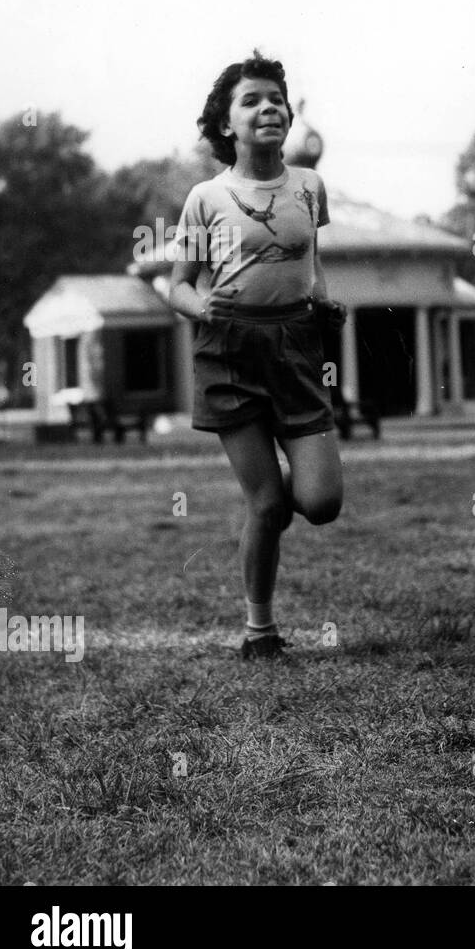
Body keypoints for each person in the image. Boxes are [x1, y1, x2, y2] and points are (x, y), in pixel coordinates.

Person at [168, 52, 346, 660]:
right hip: (230, 351)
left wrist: (323, 302)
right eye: (251, 100)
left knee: (321, 503)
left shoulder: (309, 187)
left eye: (276, 98)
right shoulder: (205, 197)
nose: (268, 107)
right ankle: (259, 631)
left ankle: (278, 499)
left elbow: (311, 264)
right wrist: (202, 310)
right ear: (226, 124)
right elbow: (178, 285)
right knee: (267, 502)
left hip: (296, 347)